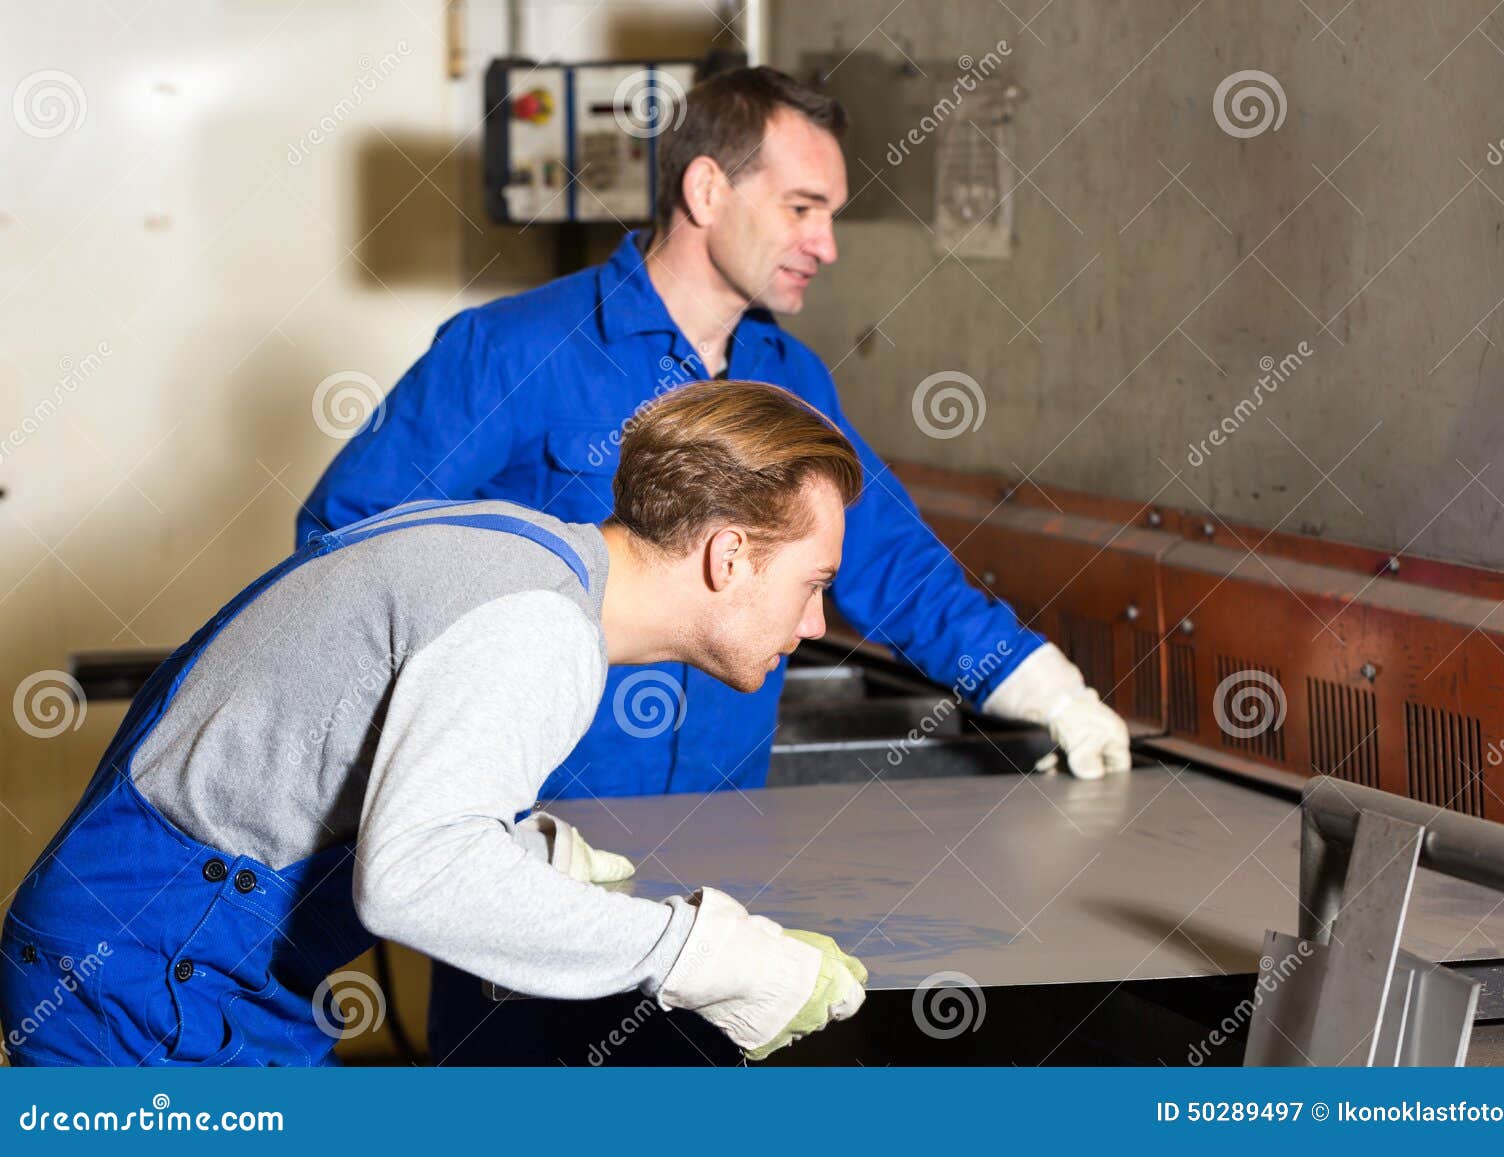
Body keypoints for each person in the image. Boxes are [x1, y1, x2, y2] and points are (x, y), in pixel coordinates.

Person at [296, 65, 1131, 1063]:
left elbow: (890, 561)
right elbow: (348, 544)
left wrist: (1042, 686)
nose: (824, 244)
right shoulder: (511, 349)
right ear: (706, 191)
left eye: (831, 214)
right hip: (533, 870)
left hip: (725, 872)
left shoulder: (790, 378)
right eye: (802, 207)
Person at [0, 381, 869, 1067]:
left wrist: (524, 858)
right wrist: (707, 955)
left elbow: (343, 748)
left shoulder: (527, 548)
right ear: (729, 556)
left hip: (160, 953)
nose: (817, 622)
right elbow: (413, 879)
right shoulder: (540, 628)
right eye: (813, 581)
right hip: (148, 982)